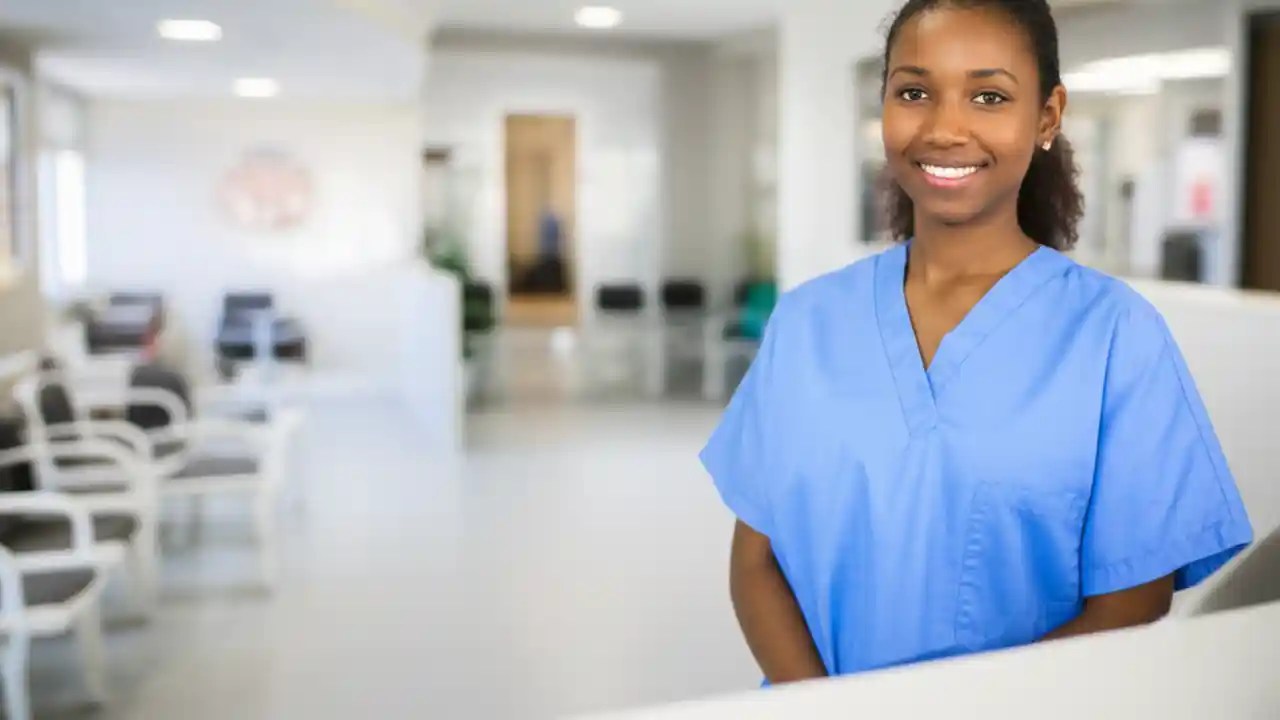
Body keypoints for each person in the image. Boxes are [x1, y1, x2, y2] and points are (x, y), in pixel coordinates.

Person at [700, 0, 1253, 683]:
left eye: (989, 96)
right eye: (914, 92)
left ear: (1048, 115)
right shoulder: (808, 322)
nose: (945, 127)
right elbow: (755, 562)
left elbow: (1134, 598)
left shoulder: (1114, 334)